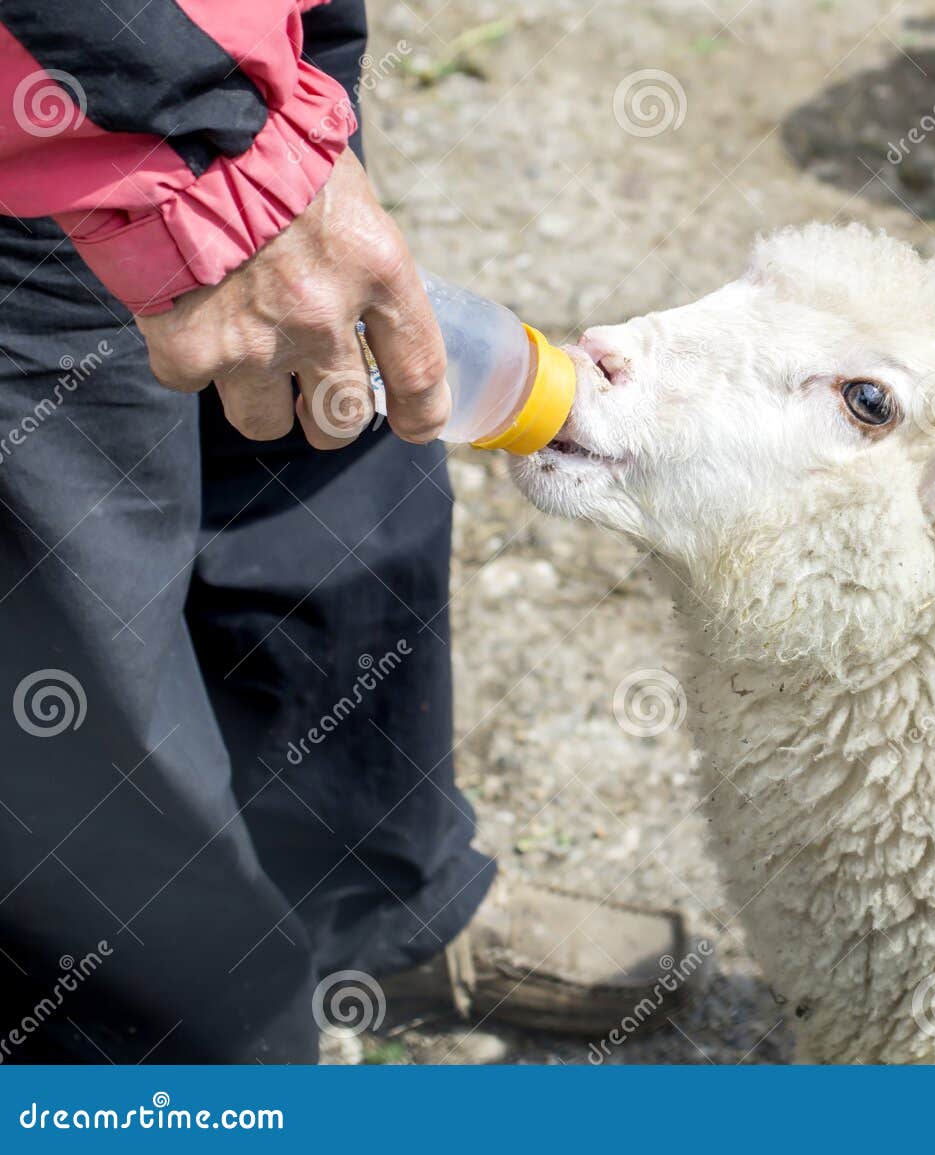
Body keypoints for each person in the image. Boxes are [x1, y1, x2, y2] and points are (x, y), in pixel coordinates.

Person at [0, 0, 691, 1063]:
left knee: (334, 457)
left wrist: (276, 99)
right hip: (64, 111)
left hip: (246, 61)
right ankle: (184, 1063)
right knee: (79, 648)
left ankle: (373, 907)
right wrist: (212, 145)